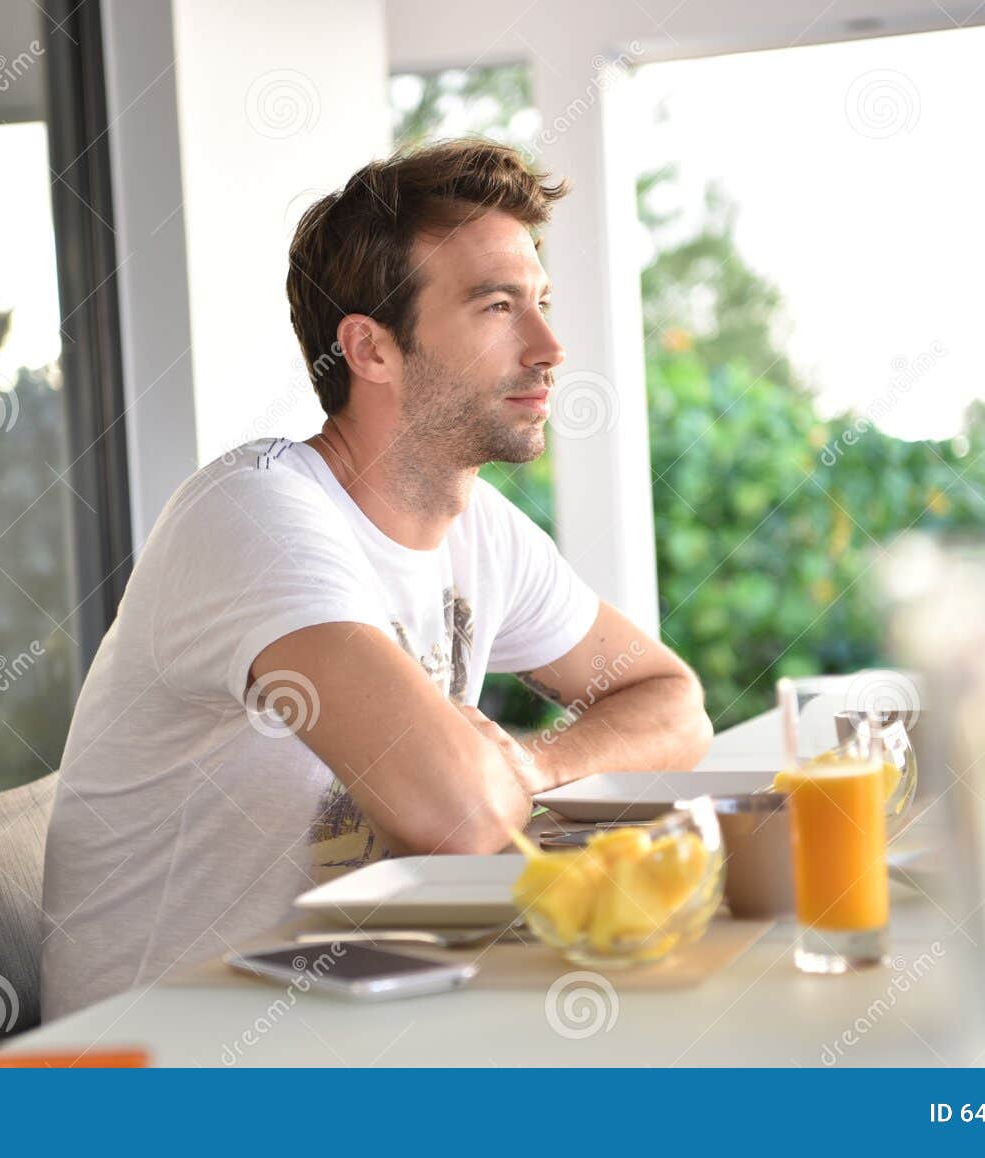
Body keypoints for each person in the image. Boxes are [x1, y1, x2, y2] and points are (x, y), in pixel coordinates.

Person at [40, 139, 712, 1018]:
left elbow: (673, 701)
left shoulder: (484, 531)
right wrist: (481, 784)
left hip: (357, 1022)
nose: (549, 346)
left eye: (541, 303)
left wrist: (534, 762)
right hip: (173, 1075)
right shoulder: (253, 519)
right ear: (371, 349)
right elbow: (460, 819)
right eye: (498, 306)